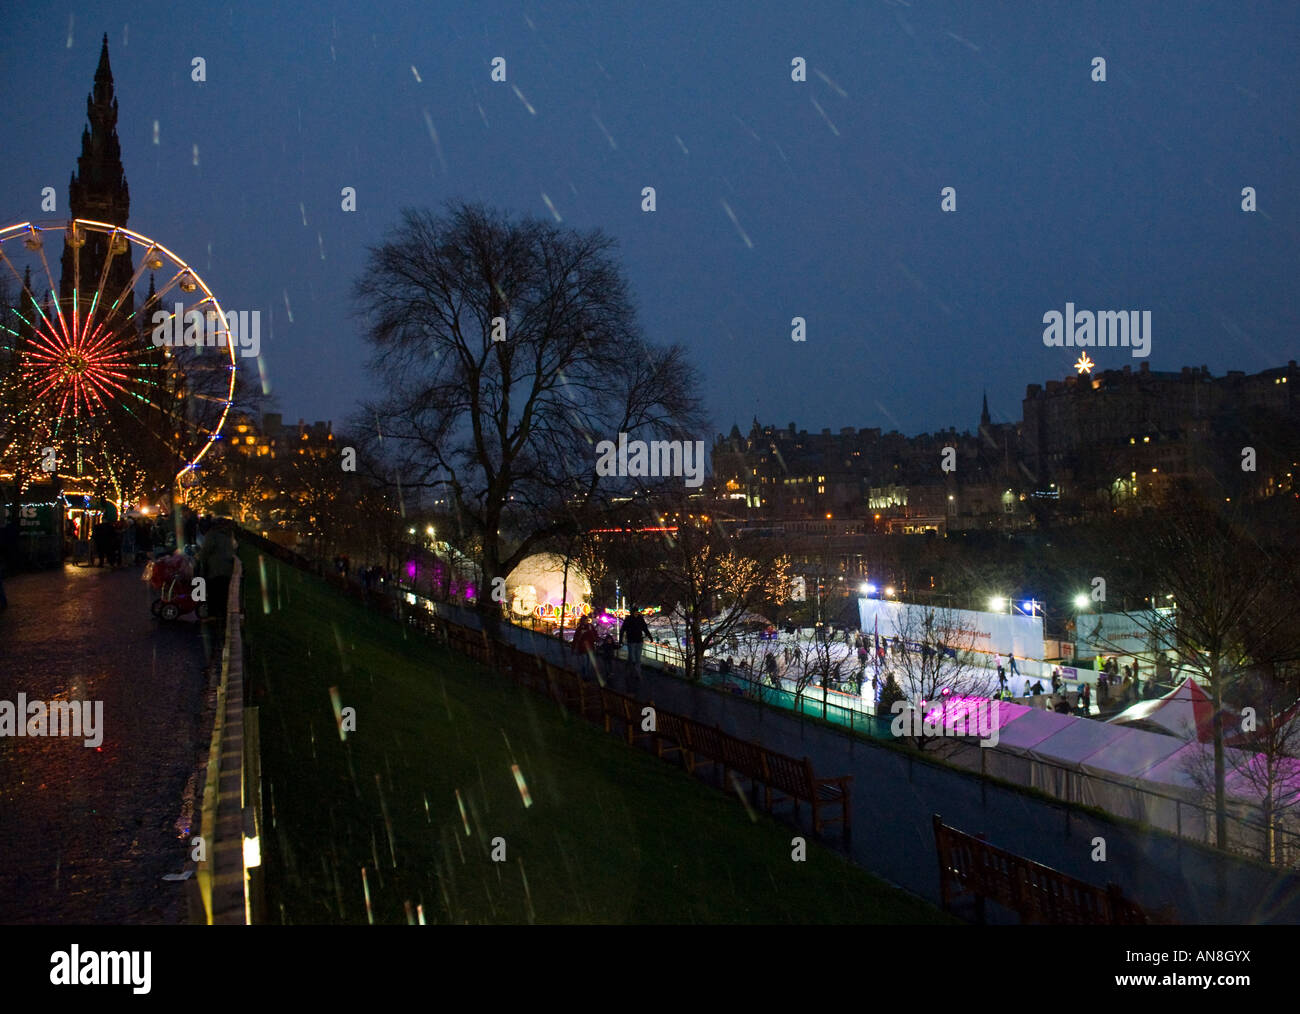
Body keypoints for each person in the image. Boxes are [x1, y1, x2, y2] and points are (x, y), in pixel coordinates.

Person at [198, 519, 238, 620]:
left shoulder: (212, 535)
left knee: (213, 591)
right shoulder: (229, 535)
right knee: (224, 592)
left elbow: (206, 551)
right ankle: (223, 614)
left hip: (215, 567)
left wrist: (200, 559)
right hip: (227, 568)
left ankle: (213, 615)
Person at [619, 604, 651, 676]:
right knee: (631, 657)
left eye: (637, 612)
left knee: (638, 658)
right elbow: (622, 629)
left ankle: (637, 673)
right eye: (635, 612)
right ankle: (629, 668)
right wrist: (620, 640)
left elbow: (645, 628)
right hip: (631, 641)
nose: (636, 613)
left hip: (639, 640)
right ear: (632, 612)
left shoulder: (640, 619)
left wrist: (650, 636)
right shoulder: (628, 619)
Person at [571, 614, 597, 681]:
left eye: (586, 620)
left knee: (589, 663)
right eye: (585, 620)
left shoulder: (590, 627)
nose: (586, 621)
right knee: (585, 662)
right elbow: (576, 638)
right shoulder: (580, 628)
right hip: (583, 648)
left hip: (590, 647)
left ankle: (585, 674)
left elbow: (595, 635)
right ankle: (585, 675)